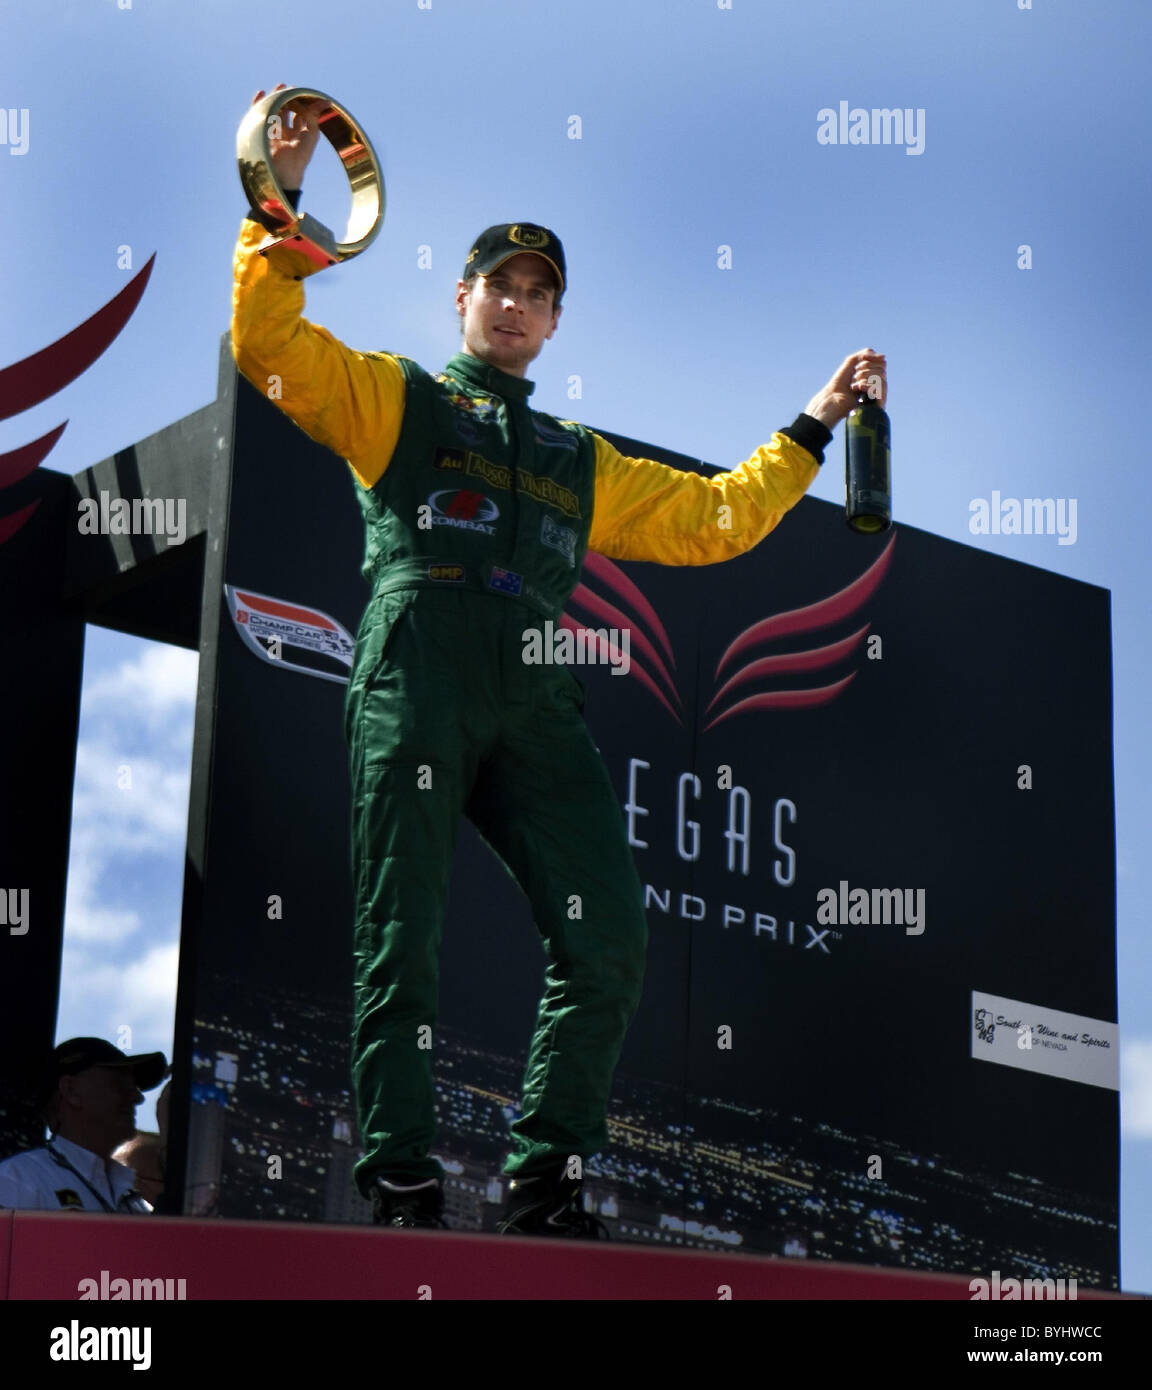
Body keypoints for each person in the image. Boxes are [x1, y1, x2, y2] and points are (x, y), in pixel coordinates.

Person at [231, 85, 887, 1238]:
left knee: (611, 935)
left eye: (542, 296)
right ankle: (397, 1174)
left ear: (555, 322)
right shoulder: (399, 395)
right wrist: (278, 203)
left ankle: (550, 1181)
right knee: (404, 927)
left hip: (532, 687)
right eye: (503, 287)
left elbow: (715, 520)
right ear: (464, 296)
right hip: (418, 659)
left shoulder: (582, 461)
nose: (520, 307)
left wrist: (814, 426)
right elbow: (269, 348)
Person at [0, 1038, 168, 1213]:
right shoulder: (18, 1180)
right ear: (71, 1090)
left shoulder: (130, 1196)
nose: (138, 1097)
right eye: (120, 1083)